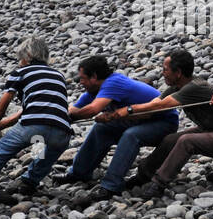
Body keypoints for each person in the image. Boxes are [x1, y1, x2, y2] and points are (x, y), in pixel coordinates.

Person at [0, 36, 72, 207]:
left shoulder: (20, 73)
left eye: (20, 59)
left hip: (33, 126)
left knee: (0, 152)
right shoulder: (57, 75)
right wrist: (0, 126)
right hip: (62, 131)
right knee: (44, 152)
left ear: (27, 57)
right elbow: (36, 108)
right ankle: (29, 183)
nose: (19, 62)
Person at [121, 50, 213, 199]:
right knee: (170, 140)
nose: (162, 73)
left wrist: (128, 110)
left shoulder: (194, 87)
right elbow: (153, 105)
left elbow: (158, 107)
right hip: (208, 130)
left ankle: (159, 183)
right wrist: (117, 115)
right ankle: (143, 176)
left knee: (186, 141)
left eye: (165, 70)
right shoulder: (177, 88)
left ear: (178, 72)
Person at [62, 55, 178, 205]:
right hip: (139, 120)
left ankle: (111, 185)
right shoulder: (94, 89)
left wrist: (70, 115)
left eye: (83, 78)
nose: (80, 82)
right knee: (101, 128)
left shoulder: (113, 82)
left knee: (131, 135)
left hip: (164, 122)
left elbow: (92, 109)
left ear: (94, 77)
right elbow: (75, 109)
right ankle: (79, 173)